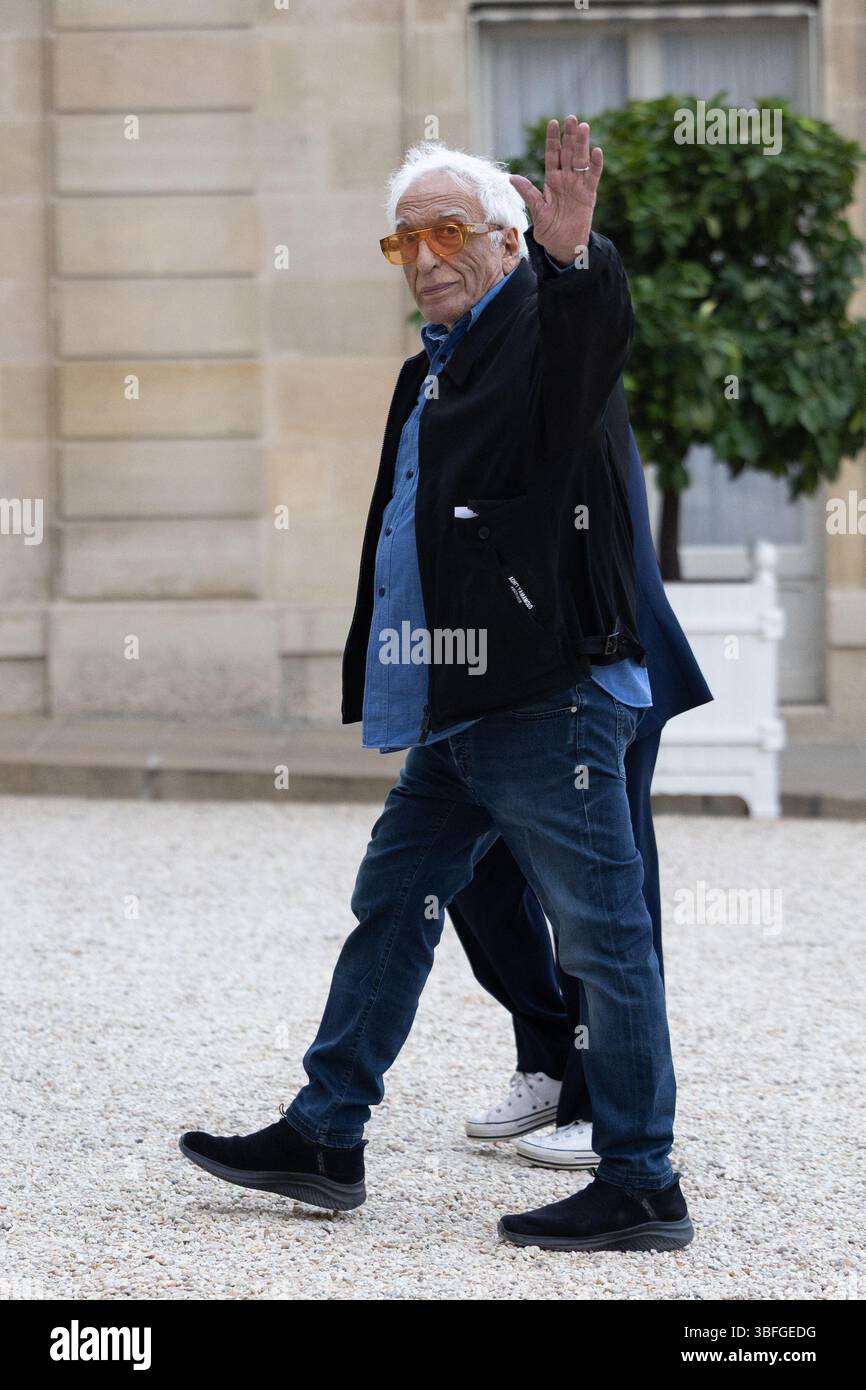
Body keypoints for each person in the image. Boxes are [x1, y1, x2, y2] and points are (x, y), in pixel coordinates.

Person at [180, 120, 696, 1252]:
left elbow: (588, 336)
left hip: (547, 693)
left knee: (602, 937)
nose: (424, 256)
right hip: (462, 703)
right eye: (404, 239)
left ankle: (642, 1180)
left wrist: (576, 262)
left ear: (507, 244)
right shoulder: (432, 366)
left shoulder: (542, 331)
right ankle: (325, 1134)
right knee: (392, 907)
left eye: (450, 232)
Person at [453, 427, 712, 1166]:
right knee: (474, 879)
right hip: (493, 674)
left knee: (604, 897)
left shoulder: (558, 337)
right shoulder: (462, 365)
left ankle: (607, 1106)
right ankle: (551, 1053)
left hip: (603, 663)